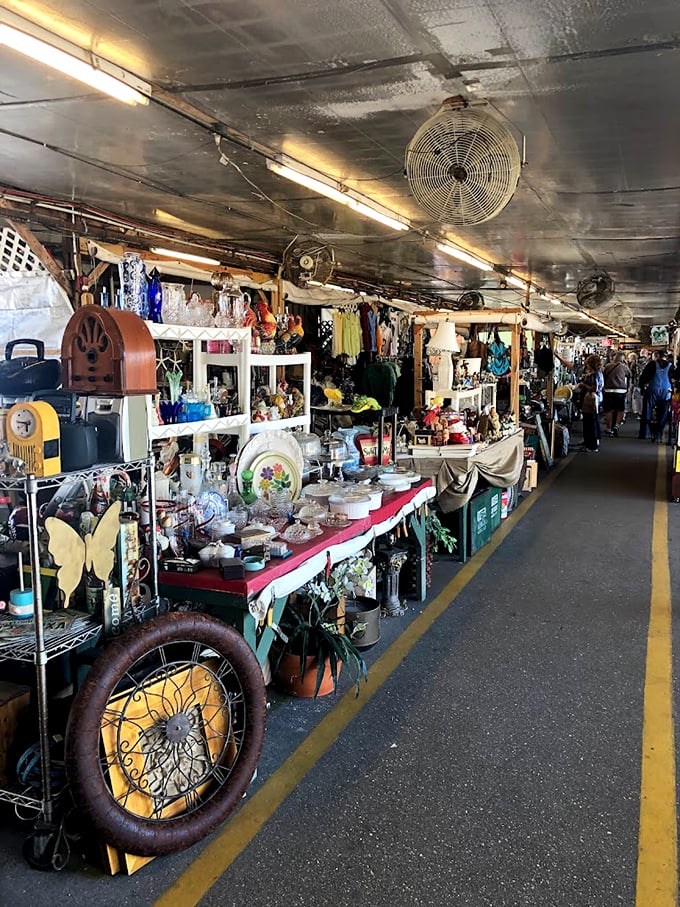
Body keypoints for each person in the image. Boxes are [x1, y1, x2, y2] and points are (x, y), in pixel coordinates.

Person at [638, 350, 675, 442]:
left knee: (647, 410)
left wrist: (642, 388)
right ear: (665, 357)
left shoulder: (652, 364)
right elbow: (674, 378)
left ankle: (644, 433)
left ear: (657, 356)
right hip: (666, 391)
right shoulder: (671, 366)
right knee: (663, 413)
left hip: (653, 390)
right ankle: (658, 433)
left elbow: (643, 378)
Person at [576, 354, 603, 452]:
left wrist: (584, 385)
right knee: (593, 422)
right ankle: (592, 442)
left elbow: (594, 388)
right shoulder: (599, 373)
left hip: (590, 400)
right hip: (596, 400)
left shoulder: (594, 375)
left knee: (589, 423)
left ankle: (591, 445)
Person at [603, 352, 631, 436]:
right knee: (620, 409)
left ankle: (608, 428)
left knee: (609, 410)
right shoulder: (624, 367)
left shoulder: (607, 366)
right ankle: (617, 425)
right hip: (621, 390)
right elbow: (630, 375)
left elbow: (603, 376)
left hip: (608, 390)